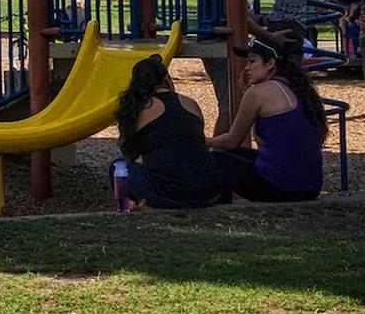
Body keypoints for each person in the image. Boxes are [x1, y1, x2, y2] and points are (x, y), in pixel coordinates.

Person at [208, 37, 327, 202]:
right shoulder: (300, 90)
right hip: (311, 187)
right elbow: (270, 144)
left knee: (213, 158)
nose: (247, 68)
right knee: (230, 155)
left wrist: (202, 140)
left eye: (252, 62)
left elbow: (231, 140)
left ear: (270, 64)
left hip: (280, 187)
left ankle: (220, 206)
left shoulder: (258, 92)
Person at [113, 55, 224, 209]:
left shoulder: (139, 109)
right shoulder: (190, 103)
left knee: (118, 166)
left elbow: (130, 153)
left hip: (169, 196)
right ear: (166, 79)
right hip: (208, 192)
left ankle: (127, 205)